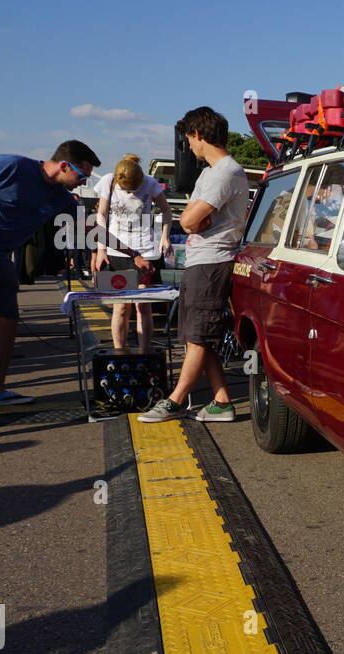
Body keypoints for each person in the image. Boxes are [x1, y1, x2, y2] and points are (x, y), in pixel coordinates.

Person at [0, 140, 154, 405]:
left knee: (8, 322)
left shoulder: (60, 199)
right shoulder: (13, 165)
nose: (83, 182)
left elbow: (92, 229)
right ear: (64, 165)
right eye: (82, 175)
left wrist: (133, 255)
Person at [139, 107, 247, 423]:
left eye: (189, 139)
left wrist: (192, 221)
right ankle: (222, 401)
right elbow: (190, 219)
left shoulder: (226, 172)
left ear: (198, 134)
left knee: (199, 334)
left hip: (213, 260)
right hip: (201, 260)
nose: (189, 146)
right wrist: (192, 221)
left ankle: (175, 399)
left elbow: (188, 218)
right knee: (197, 334)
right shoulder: (210, 173)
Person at [92, 154, 172, 352]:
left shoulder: (150, 184)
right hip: (117, 251)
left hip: (145, 250)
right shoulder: (108, 181)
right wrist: (101, 249)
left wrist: (165, 237)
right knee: (120, 307)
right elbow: (101, 214)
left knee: (143, 305)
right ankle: (120, 351)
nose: (130, 193)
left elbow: (166, 211)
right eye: (126, 189)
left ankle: (144, 352)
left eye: (134, 189)